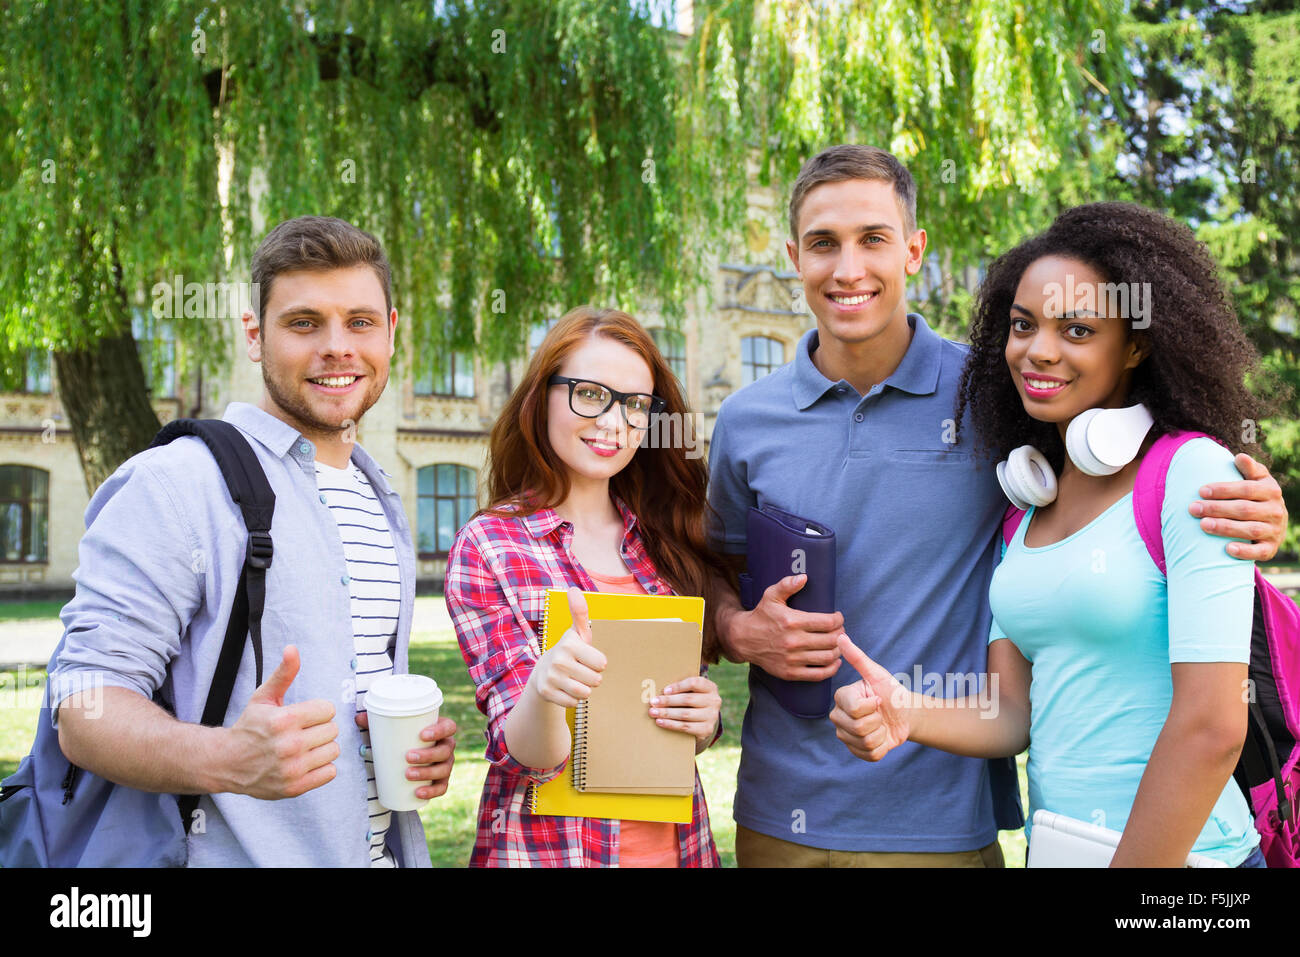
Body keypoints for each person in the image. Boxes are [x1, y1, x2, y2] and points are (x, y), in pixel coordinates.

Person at [706, 145, 1290, 866]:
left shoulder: (1018, 409)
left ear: (915, 250)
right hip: (827, 821)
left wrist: (1257, 503)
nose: (848, 268)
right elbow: (700, 567)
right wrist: (738, 628)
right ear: (795, 256)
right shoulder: (1024, 496)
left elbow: (1211, 723)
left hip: (1054, 845)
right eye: (825, 243)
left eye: (1077, 329)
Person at [51, 215, 456, 867]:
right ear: (253, 335)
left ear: (392, 332)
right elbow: (83, 707)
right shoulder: (178, 482)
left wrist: (412, 750)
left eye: (360, 321)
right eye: (303, 323)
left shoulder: (381, 496)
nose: (336, 347)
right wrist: (225, 758)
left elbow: (357, 690)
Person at [445, 306, 730, 867]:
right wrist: (545, 690)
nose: (614, 422)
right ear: (542, 396)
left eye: (635, 405)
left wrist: (703, 721)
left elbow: (671, 721)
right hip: (552, 853)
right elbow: (527, 756)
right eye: (591, 394)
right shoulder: (490, 547)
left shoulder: (663, 539)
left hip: (679, 850)